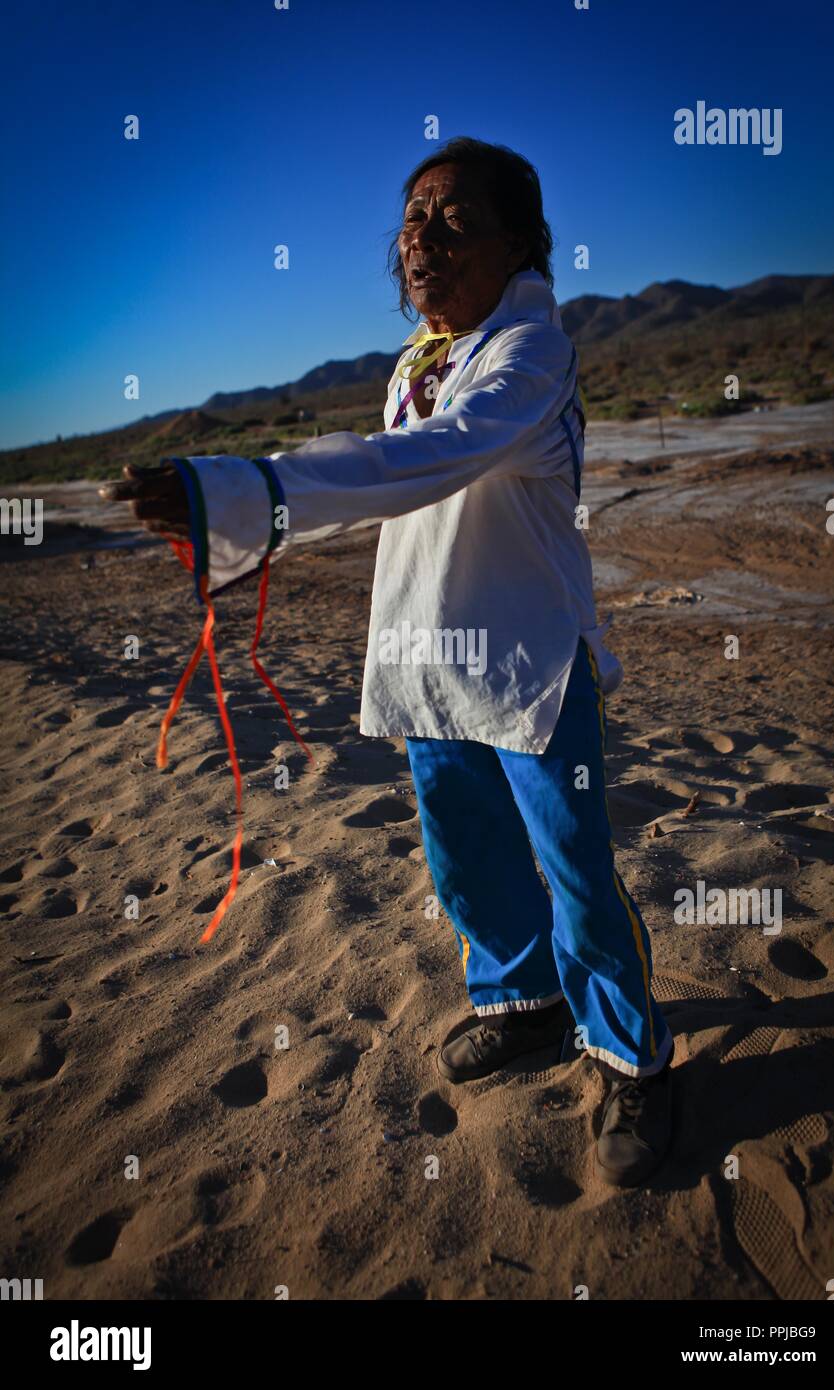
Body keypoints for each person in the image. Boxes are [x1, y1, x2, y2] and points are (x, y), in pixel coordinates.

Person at [105, 136, 674, 1187]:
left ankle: (628, 1055)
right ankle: (522, 1000)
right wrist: (234, 519)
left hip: (529, 660)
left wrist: (249, 491)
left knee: (576, 872)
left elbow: (426, 460)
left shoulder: (528, 354)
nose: (419, 239)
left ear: (521, 242)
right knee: (466, 857)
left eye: (453, 218)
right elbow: (376, 484)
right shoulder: (415, 364)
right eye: (411, 220)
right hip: (429, 654)